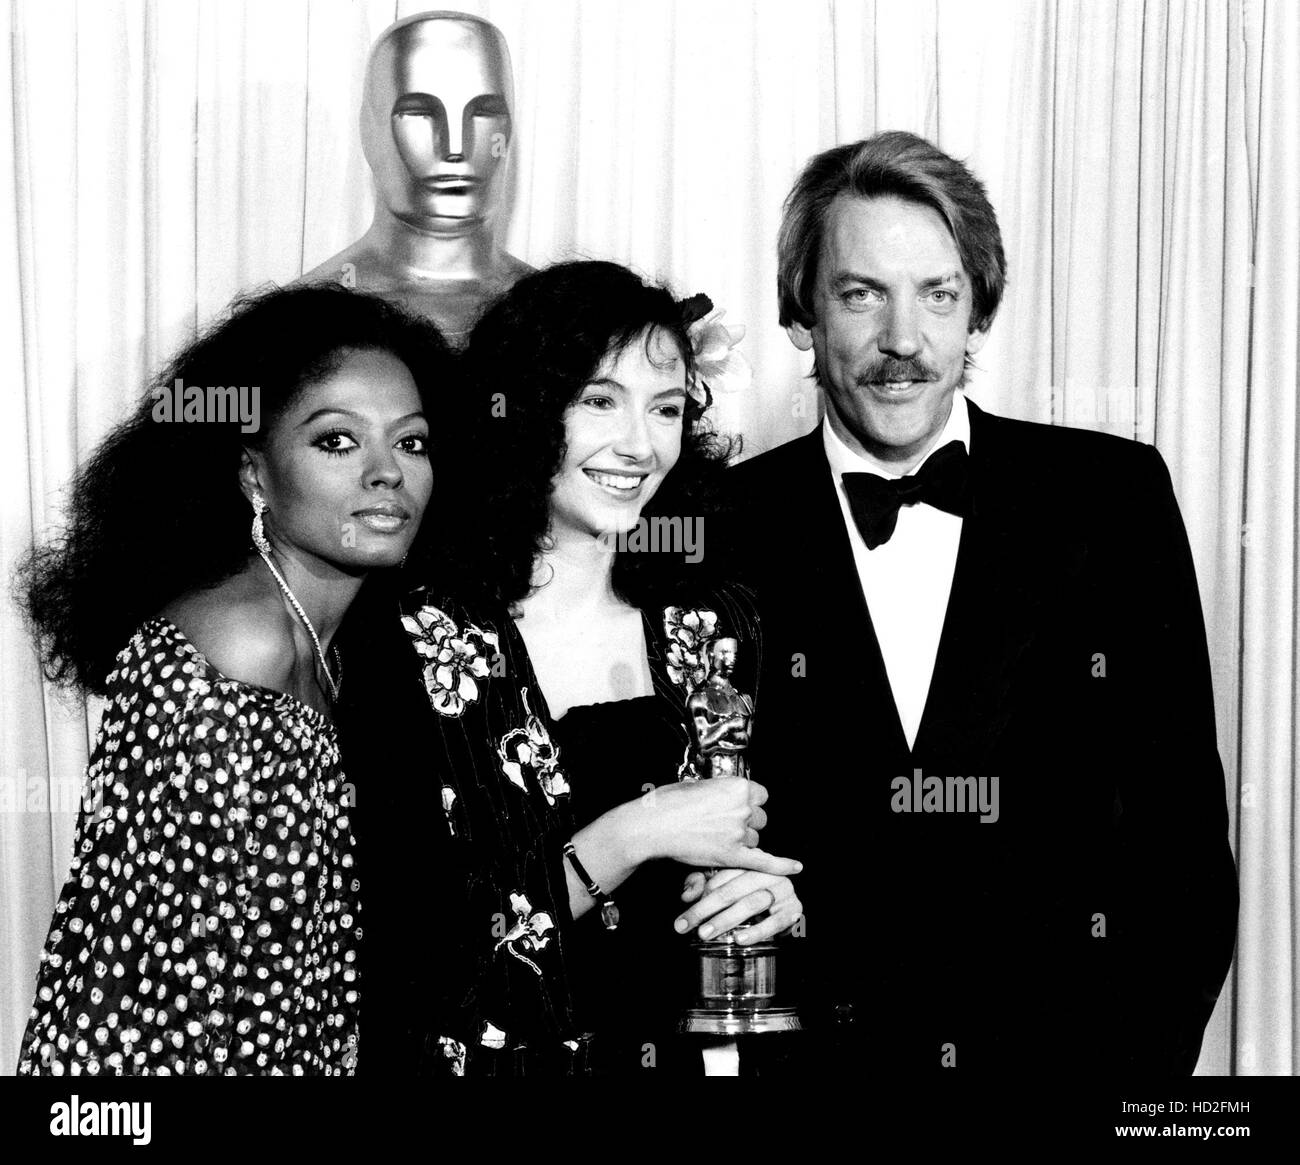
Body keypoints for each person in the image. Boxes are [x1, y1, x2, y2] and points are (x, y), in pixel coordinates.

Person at [709, 131, 1239, 1075]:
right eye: (860, 292)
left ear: (980, 316)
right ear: (802, 315)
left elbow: (1181, 848)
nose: (903, 341)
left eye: (938, 295)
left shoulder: (1111, 499)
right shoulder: (721, 529)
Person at [352, 260, 804, 1075]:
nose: (638, 444)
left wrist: (776, 899)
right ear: (525, 408)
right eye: (600, 400)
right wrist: (633, 836)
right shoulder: (408, 635)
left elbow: (777, 856)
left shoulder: (717, 620)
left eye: (665, 409)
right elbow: (413, 962)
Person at [14, 284, 449, 1075]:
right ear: (255, 475)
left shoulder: (327, 645)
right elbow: (182, 990)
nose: (388, 473)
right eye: (337, 442)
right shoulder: (237, 644)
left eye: (412, 443)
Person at [302, 11, 531, 347]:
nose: (455, 147)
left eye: (484, 111)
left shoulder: (568, 316)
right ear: (369, 130)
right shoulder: (305, 320)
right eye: (420, 112)